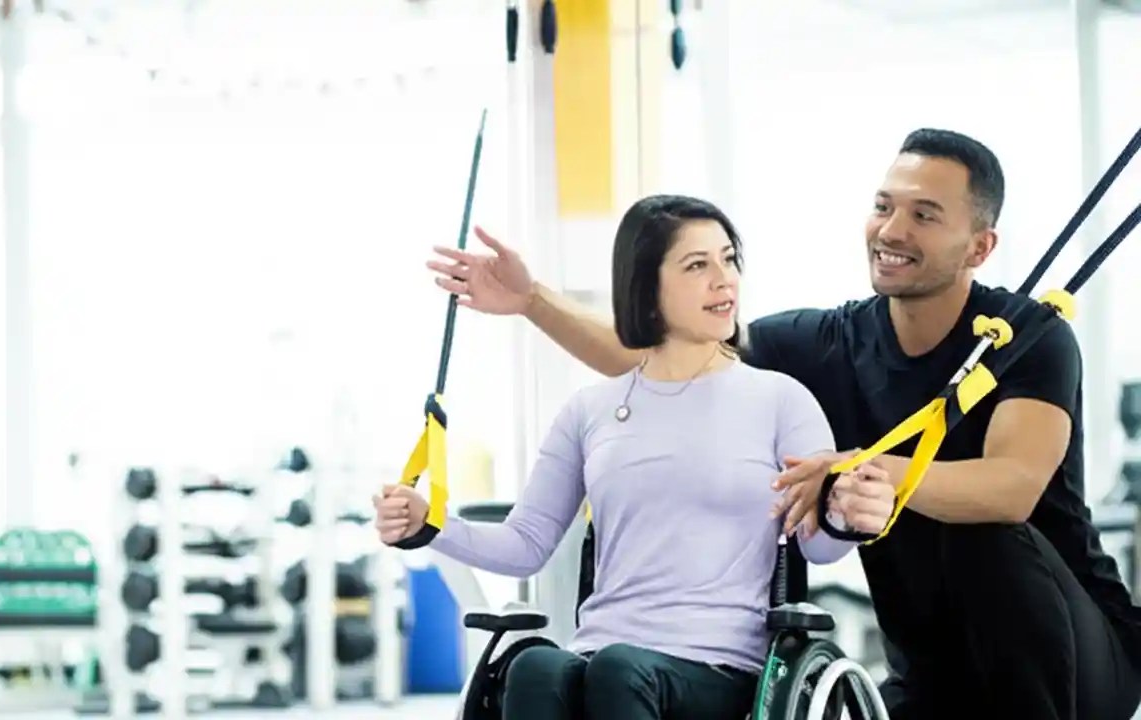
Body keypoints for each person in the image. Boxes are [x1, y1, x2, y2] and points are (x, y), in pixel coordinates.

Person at [425, 128, 1141, 719]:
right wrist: (530, 301)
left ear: (979, 247)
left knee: (987, 542)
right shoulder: (826, 344)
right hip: (930, 671)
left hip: (1078, 665)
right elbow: (659, 349)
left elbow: (1010, 488)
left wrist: (867, 469)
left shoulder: (1027, 337)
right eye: (884, 205)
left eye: (925, 214)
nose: (892, 229)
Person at [375, 194, 897, 720]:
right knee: (534, 667)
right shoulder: (590, 409)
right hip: (603, 650)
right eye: (698, 265)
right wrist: (429, 526)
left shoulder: (780, 400)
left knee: (620, 670)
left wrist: (846, 514)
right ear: (647, 291)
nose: (725, 280)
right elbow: (525, 545)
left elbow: (822, 547)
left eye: (729, 259)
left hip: (719, 667)